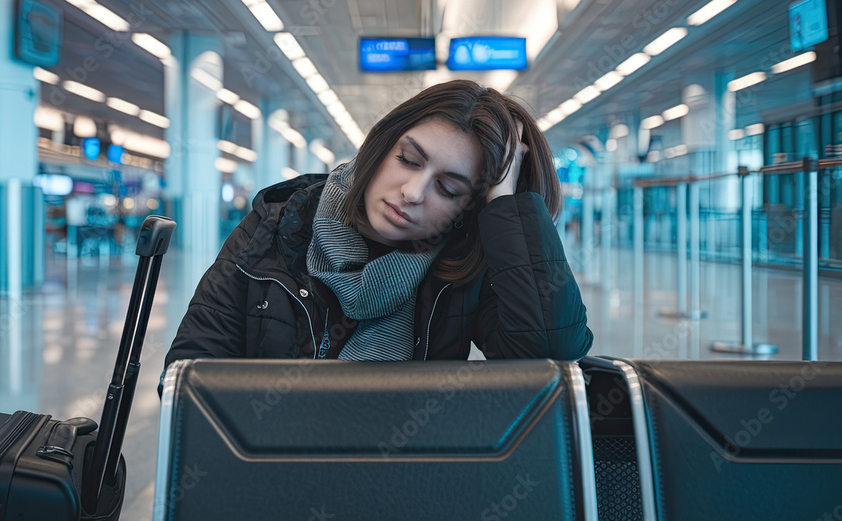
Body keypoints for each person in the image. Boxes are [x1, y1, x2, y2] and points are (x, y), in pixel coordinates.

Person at [164, 79, 593, 366]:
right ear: (381, 146)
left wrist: (505, 202)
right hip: (269, 480)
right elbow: (189, 375)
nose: (412, 191)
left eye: (448, 189)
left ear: (469, 210)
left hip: (407, 485)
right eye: (407, 160)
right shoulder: (276, 227)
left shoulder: (460, 271)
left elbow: (550, 357)